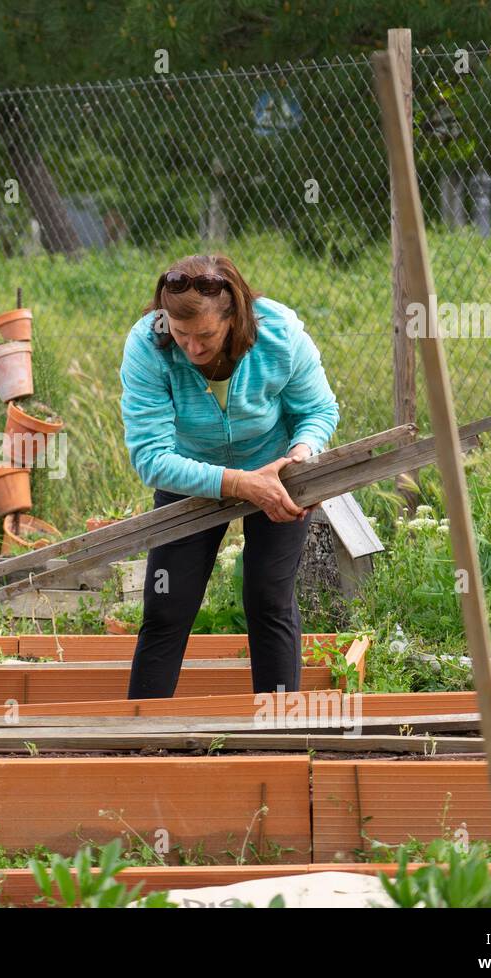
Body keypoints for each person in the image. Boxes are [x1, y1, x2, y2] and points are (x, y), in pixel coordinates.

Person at [119, 253, 340, 698]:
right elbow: (150, 457)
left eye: (205, 335)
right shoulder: (148, 344)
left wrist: (301, 456)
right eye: (181, 334)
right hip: (189, 477)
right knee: (166, 606)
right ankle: (140, 738)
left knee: (268, 600)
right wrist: (237, 482)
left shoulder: (279, 334)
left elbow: (318, 410)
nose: (192, 348)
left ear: (234, 318)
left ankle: (278, 733)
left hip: (275, 471)